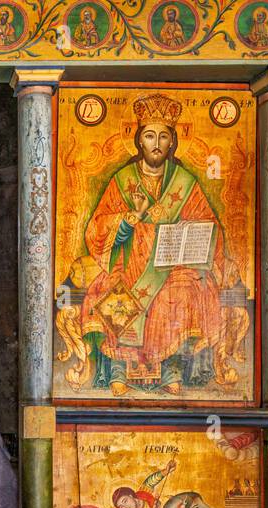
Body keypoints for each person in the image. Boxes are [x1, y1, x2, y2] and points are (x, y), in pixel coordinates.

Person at [79, 93, 236, 395]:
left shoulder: (185, 183)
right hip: (127, 263)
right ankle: (118, 368)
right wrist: (129, 219)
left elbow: (210, 227)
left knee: (184, 290)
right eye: (149, 136)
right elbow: (97, 229)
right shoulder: (123, 180)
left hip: (173, 266)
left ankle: (171, 367)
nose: (156, 143)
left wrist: (186, 235)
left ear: (172, 142)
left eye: (163, 136)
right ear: (139, 140)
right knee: (109, 287)